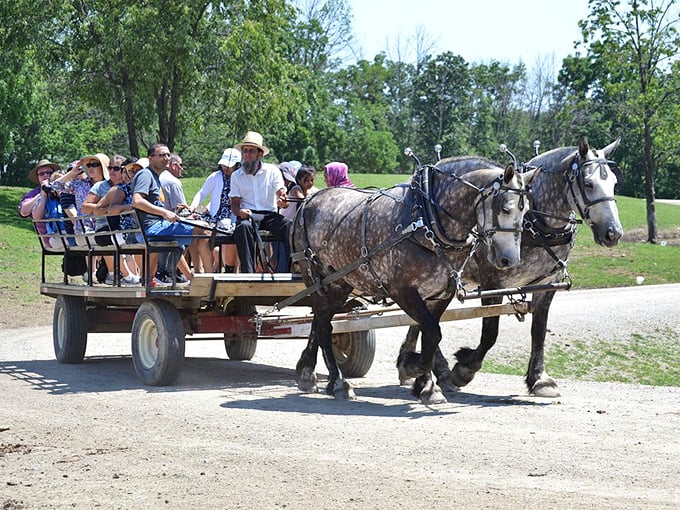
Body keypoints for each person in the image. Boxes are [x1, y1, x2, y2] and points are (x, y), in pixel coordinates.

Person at [131, 143, 213, 285]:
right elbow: (137, 201)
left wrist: (181, 217)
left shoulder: (156, 177)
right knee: (204, 228)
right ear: (150, 158)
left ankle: (153, 278)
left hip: (156, 226)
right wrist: (164, 212)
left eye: (168, 155)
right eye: (161, 155)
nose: (166, 158)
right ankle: (208, 277)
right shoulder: (146, 175)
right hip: (150, 228)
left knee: (182, 242)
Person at [229, 131, 292, 273]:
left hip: (268, 215)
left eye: (251, 151)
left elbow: (281, 193)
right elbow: (234, 203)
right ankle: (248, 273)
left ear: (260, 154)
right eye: (245, 151)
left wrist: (283, 201)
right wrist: (239, 212)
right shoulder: (236, 175)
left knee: (288, 226)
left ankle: (286, 270)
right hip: (248, 216)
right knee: (242, 228)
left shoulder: (272, 171)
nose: (247, 155)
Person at [190, 148, 242, 272]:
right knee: (203, 237)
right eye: (223, 165)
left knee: (235, 236)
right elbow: (202, 193)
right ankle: (208, 272)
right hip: (215, 216)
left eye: (229, 166)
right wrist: (193, 206)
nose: (226, 168)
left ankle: (234, 270)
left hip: (234, 216)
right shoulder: (215, 176)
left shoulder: (241, 177)